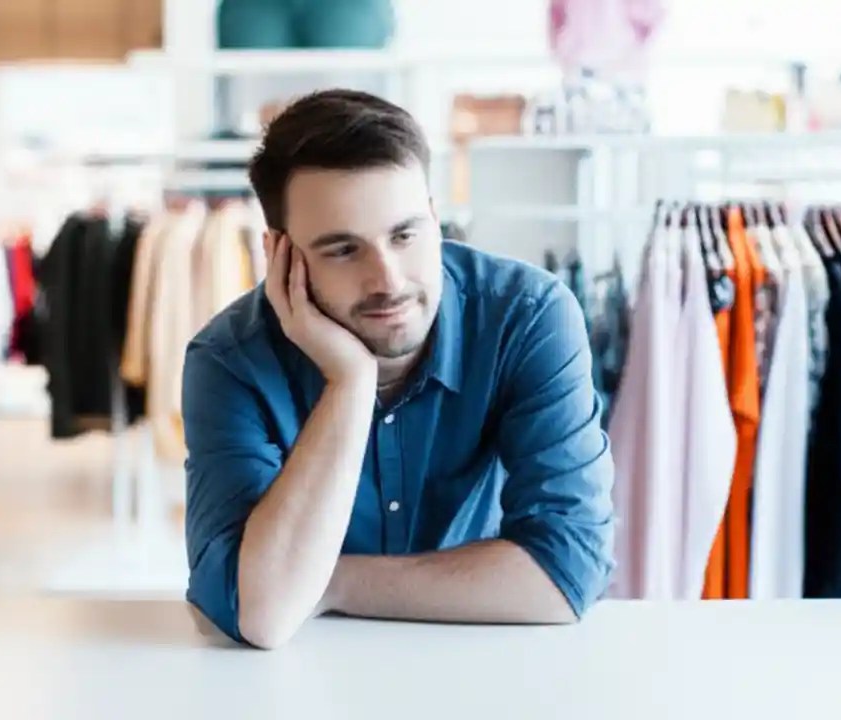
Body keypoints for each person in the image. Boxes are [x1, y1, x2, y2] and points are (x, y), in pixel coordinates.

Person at [182, 89, 615, 649]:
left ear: (435, 218)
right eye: (343, 249)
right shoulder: (228, 361)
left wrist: (331, 583)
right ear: (280, 253)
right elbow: (260, 613)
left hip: (485, 660)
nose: (387, 279)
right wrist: (350, 382)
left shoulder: (527, 317)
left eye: (405, 234)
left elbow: (567, 573)